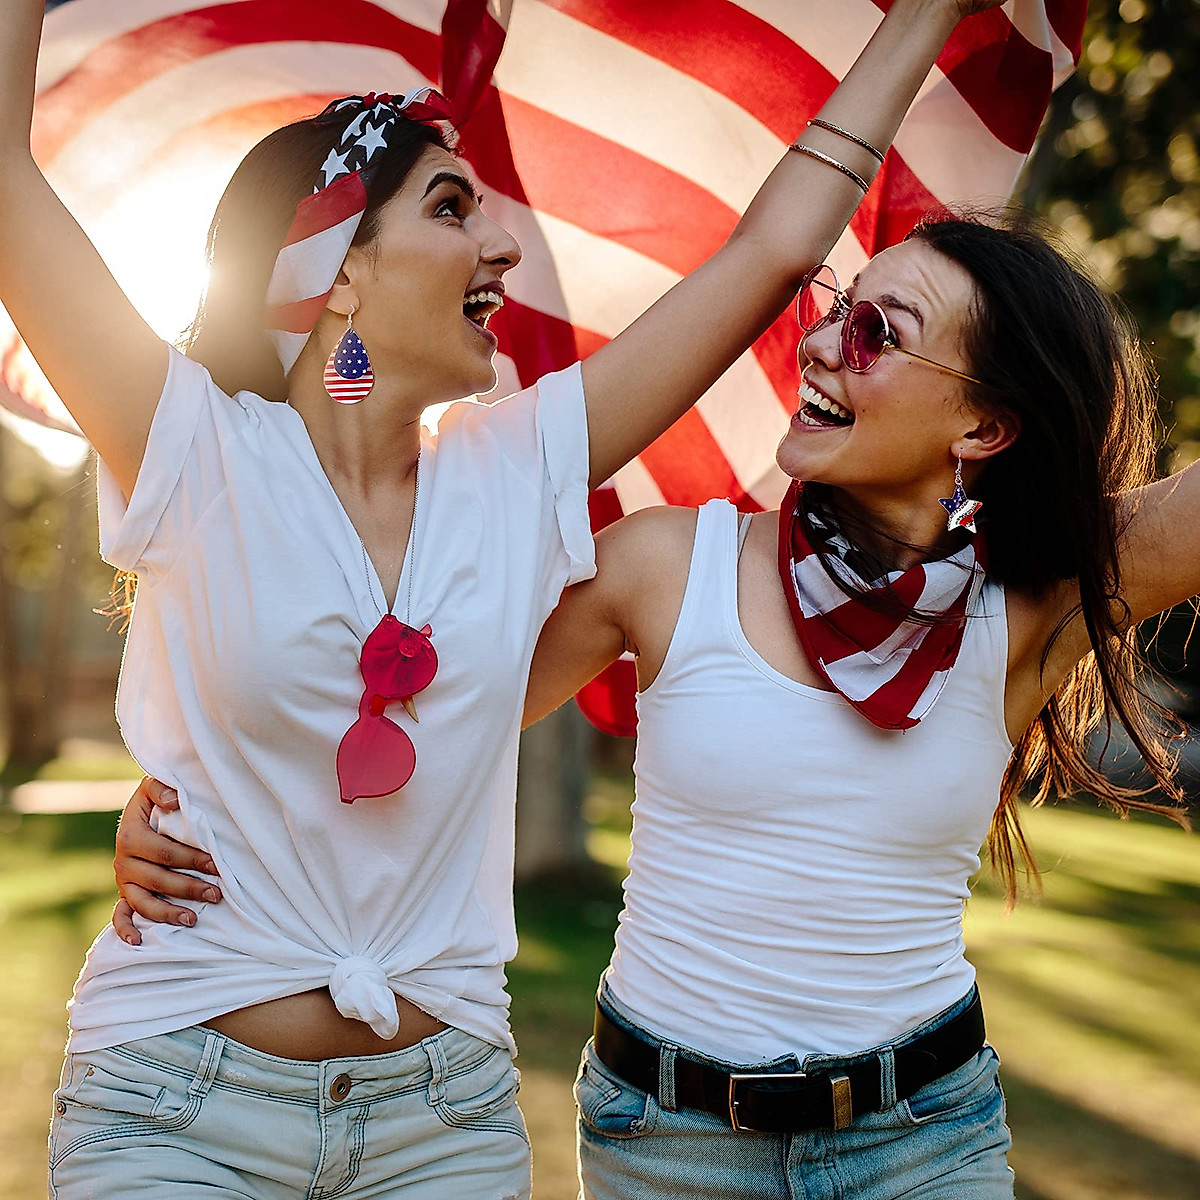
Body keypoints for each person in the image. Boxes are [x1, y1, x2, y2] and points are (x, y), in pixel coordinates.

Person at [5, 0, 1006, 1195]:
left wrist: (930, 13)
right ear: (339, 265)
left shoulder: (517, 469)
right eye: (451, 208)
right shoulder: (191, 448)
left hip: (442, 1127)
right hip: (176, 1106)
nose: (503, 249)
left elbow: (772, 252)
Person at [117, 148, 1198, 1200]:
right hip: (671, 1146)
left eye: (878, 331)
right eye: (837, 306)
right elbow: (406, 712)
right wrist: (195, 794)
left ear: (985, 423)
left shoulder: (1030, 606)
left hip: (925, 1142)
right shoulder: (667, 564)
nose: (822, 344)